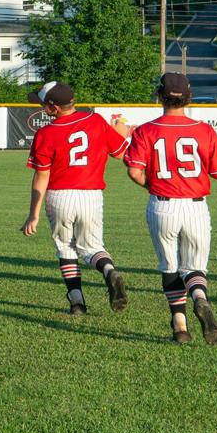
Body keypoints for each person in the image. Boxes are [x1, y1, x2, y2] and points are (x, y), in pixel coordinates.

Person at [123, 73, 217, 344]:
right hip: (195, 207)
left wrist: (154, 185)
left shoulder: (146, 130)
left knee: (170, 267)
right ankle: (200, 298)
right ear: (189, 97)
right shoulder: (204, 130)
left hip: (163, 206)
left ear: (159, 95)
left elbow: (134, 171)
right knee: (194, 268)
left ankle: (180, 326)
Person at [20, 80, 130, 315]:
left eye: (43, 104)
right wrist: (123, 130)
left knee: (66, 249)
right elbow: (120, 153)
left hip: (59, 196)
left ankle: (77, 303)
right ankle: (109, 270)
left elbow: (41, 176)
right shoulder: (95, 121)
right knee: (92, 248)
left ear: (53, 107)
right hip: (91, 195)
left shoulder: (45, 133)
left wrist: (33, 214)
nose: (41, 108)